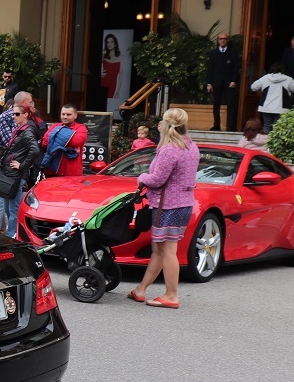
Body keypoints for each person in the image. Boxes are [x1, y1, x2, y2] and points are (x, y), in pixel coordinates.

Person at [128, 108, 200, 309]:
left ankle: (171, 295)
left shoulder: (169, 149)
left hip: (167, 205)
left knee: (167, 251)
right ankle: (140, 290)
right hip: (184, 203)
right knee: (159, 250)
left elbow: (157, 179)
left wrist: (141, 177)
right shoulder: (191, 146)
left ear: (167, 125)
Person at [0, 100, 42, 238]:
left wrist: (22, 165)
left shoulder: (28, 130)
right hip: (10, 174)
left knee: (13, 209)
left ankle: (12, 236)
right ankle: (11, 234)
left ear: (26, 114)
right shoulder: (21, 129)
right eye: (13, 114)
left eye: (17, 114)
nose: (14, 117)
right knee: (7, 208)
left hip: (17, 176)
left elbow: (35, 150)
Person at [251, 61, 294, 133]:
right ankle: (274, 143)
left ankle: (265, 142)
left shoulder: (265, 78)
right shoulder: (288, 79)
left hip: (266, 107)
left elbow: (253, 87)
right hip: (281, 108)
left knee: (267, 125)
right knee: (278, 127)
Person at [41, 105, 88, 178]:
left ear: (75, 116)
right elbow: (45, 142)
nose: (65, 117)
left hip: (72, 173)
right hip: (53, 171)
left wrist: (56, 136)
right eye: (63, 114)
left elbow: (76, 142)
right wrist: (68, 136)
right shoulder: (55, 125)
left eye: (68, 114)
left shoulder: (81, 128)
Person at [206, 33, 239, 131]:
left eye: (224, 39)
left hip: (229, 83)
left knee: (231, 104)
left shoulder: (233, 52)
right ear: (218, 40)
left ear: (228, 40)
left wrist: (234, 80)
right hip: (217, 82)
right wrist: (209, 83)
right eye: (220, 39)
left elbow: (236, 68)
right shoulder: (213, 53)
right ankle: (216, 125)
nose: (222, 40)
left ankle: (230, 126)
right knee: (216, 103)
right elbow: (210, 69)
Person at [100, 34, 122, 100]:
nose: (109, 44)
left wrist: (118, 91)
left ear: (115, 44)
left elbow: (121, 76)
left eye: (111, 42)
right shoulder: (103, 56)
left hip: (113, 85)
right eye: (107, 42)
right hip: (103, 83)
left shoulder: (121, 57)